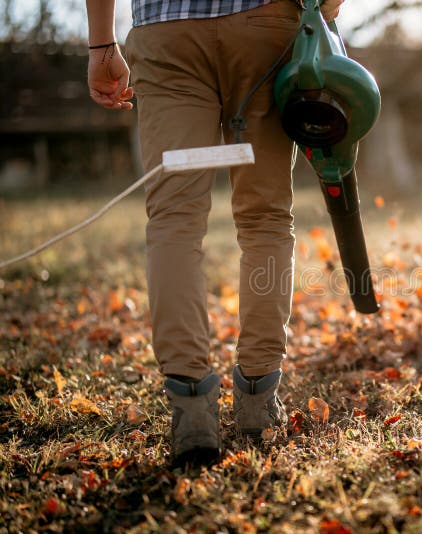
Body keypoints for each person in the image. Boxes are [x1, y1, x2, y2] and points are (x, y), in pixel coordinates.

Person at [85, 0, 343, 466]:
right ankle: (259, 398)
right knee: (265, 216)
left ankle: (191, 412)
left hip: (167, 32)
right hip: (264, 25)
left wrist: (102, 43)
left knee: (173, 220)